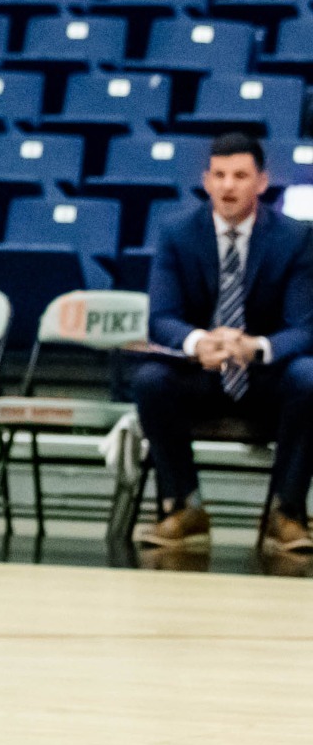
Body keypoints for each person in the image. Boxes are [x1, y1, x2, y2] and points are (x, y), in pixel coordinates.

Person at [134, 132, 313, 552]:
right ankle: (184, 505)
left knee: (310, 377)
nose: (228, 186)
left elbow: (304, 327)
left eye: (240, 175)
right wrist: (199, 343)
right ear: (206, 180)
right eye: (219, 175)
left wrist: (255, 347)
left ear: (262, 182)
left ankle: (287, 512)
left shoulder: (296, 237)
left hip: (265, 377)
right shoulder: (177, 233)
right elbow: (160, 319)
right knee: (151, 380)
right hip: (203, 374)